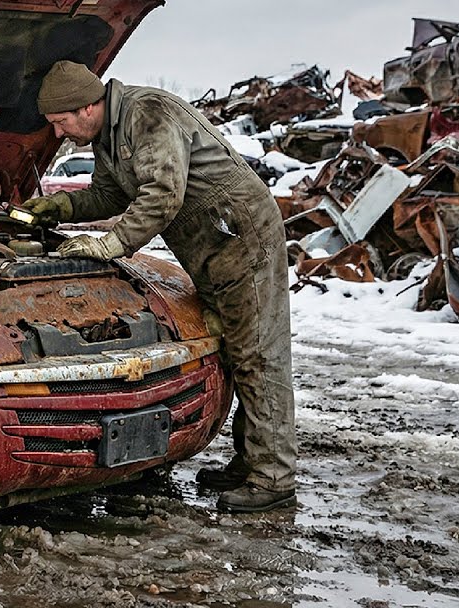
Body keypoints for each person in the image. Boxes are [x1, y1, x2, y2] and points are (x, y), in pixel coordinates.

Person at [23, 60, 297, 513]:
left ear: (87, 106)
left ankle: (273, 478)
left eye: (60, 121)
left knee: (258, 354)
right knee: (234, 350)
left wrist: (111, 245)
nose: (57, 133)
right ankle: (253, 460)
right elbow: (110, 195)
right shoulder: (107, 135)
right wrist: (61, 206)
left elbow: (162, 193)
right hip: (211, 243)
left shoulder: (147, 113)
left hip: (240, 237)